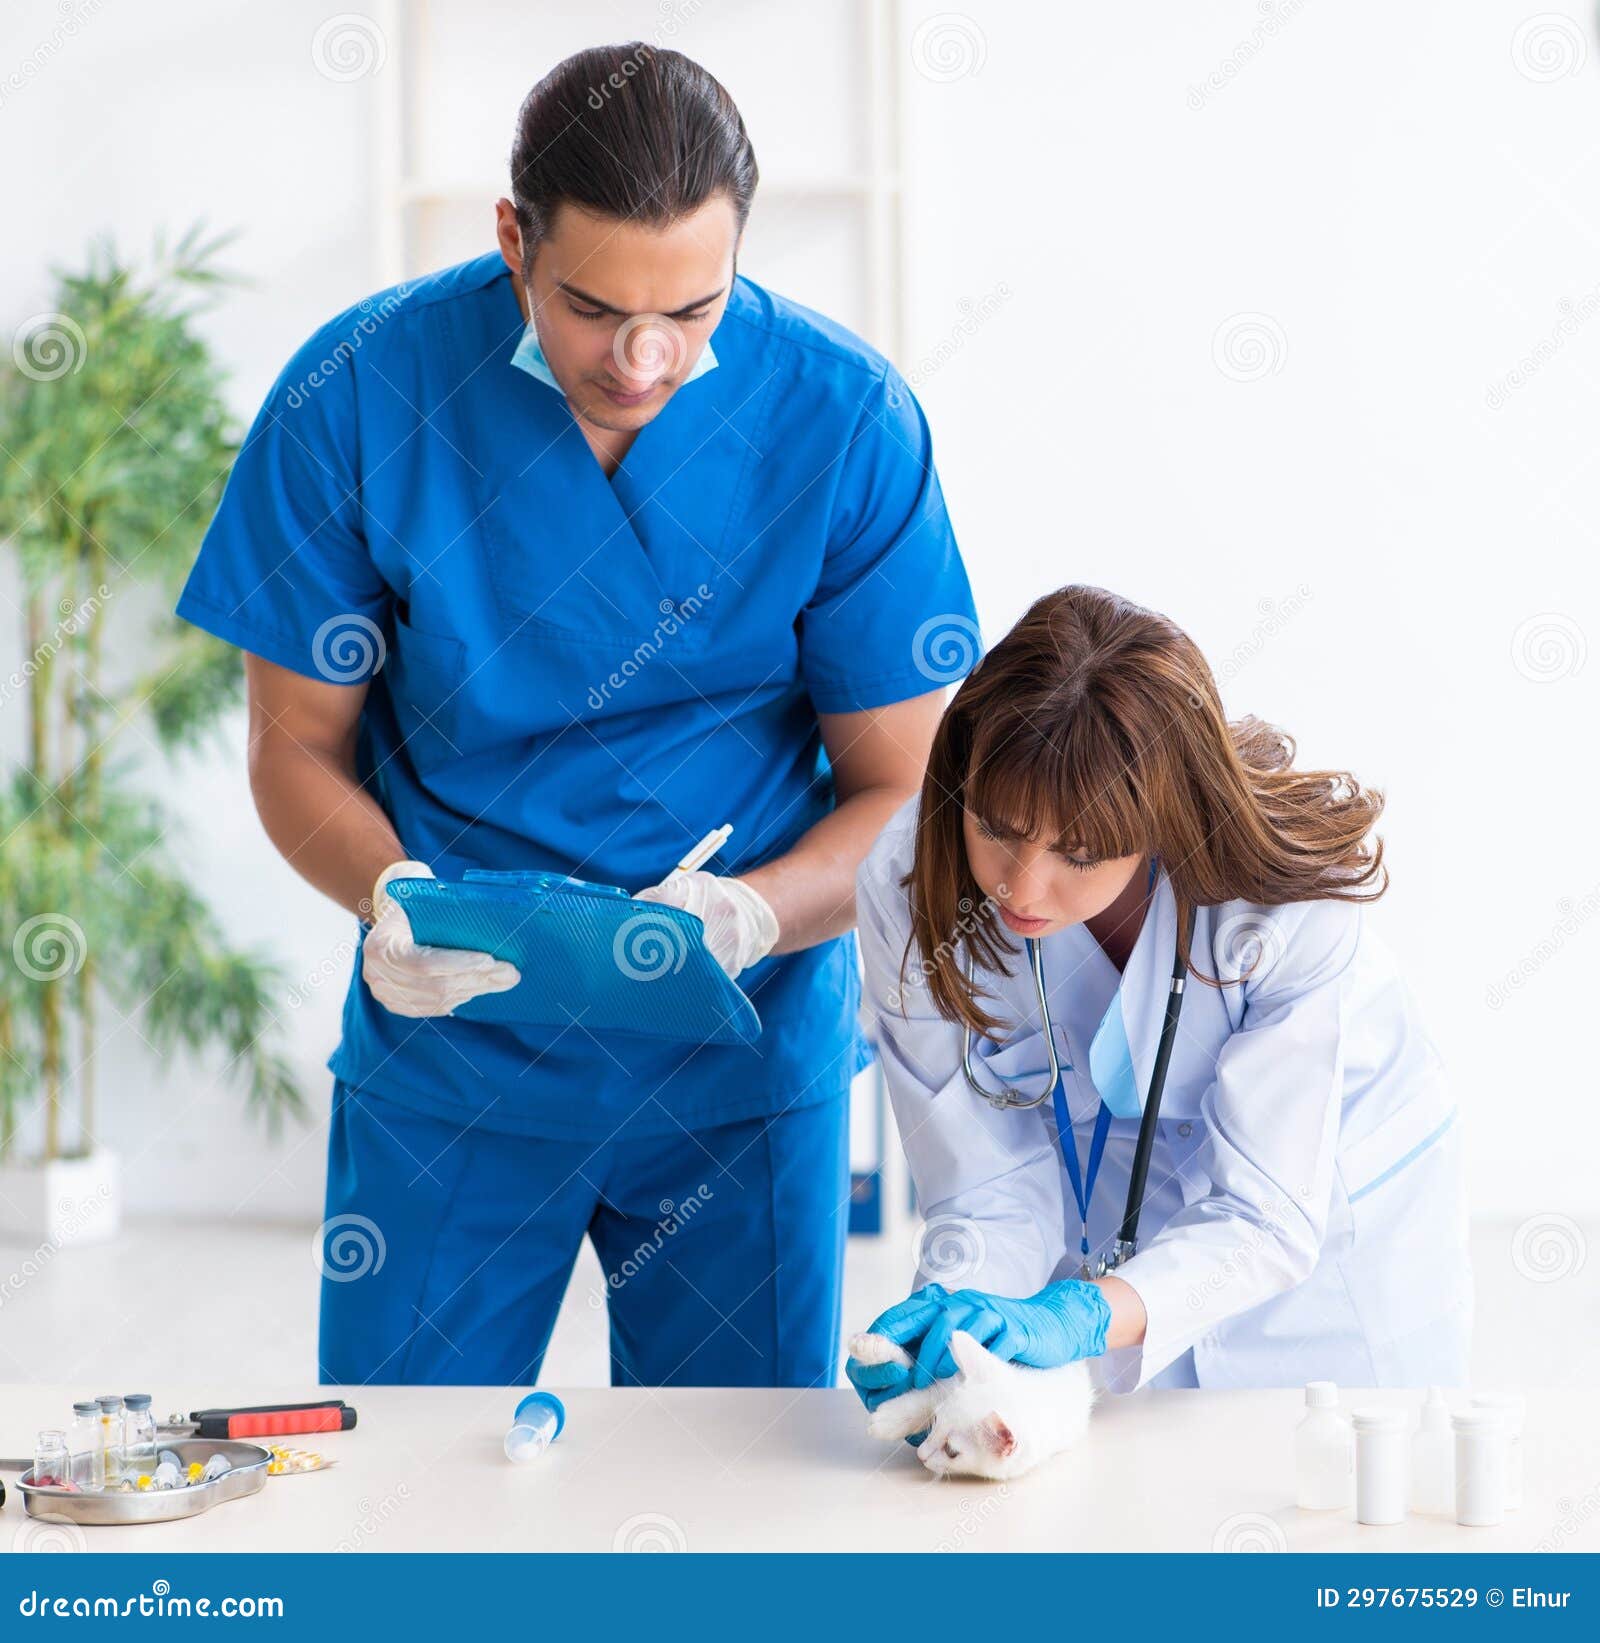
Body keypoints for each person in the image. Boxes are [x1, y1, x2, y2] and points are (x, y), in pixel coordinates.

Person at [175, 44, 975, 1388]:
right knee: (403, 1510)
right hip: (455, 1057)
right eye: (596, 309)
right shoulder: (361, 396)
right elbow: (294, 745)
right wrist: (393, 899)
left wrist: (755, 913)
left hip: (740, 1061)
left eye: (695, 311)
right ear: (512, 241)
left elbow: (902, 789)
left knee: (730, 1522)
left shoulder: (844, 421)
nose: (647, 360)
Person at [849, 585, 1470, 1403]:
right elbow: (981, 1185)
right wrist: (958, 1313)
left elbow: (1265, 1216)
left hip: (1331, 1254)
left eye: (1078, 851)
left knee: (1344, 1493)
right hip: (1112, 1232)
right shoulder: (910, 888)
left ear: (1158, 823)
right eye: (996, 827)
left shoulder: (1285, 913)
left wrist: (1086, 1312)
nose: (1022, 887)